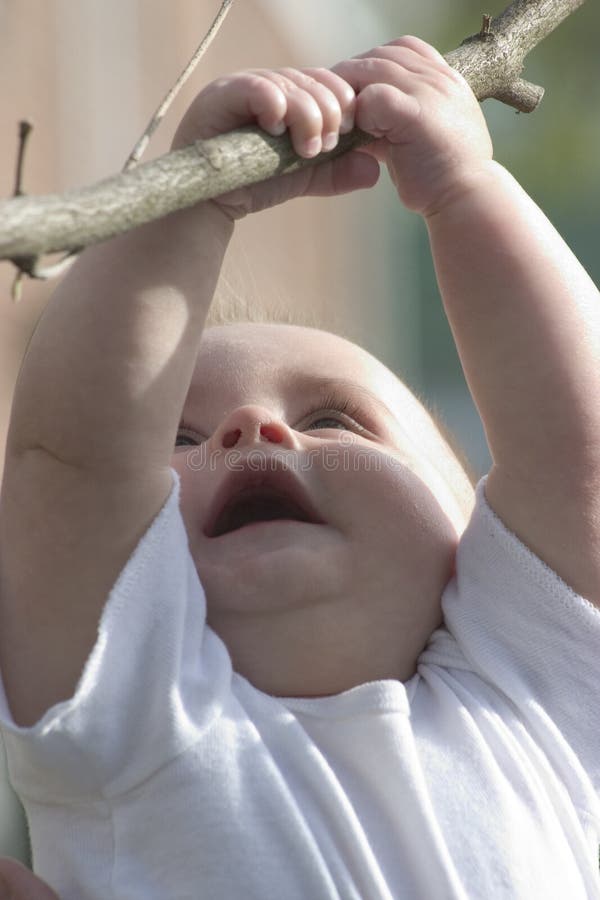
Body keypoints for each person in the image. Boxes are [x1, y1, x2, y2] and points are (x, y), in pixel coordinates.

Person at [0, 35, 599, 899]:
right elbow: (72, 462)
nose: (249, 428)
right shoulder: (129, 712)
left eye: (332, 420)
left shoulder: (531, 703)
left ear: (476, 537)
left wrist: (470, 188)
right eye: (171, 441)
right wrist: (189, 201)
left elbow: (580, 455)